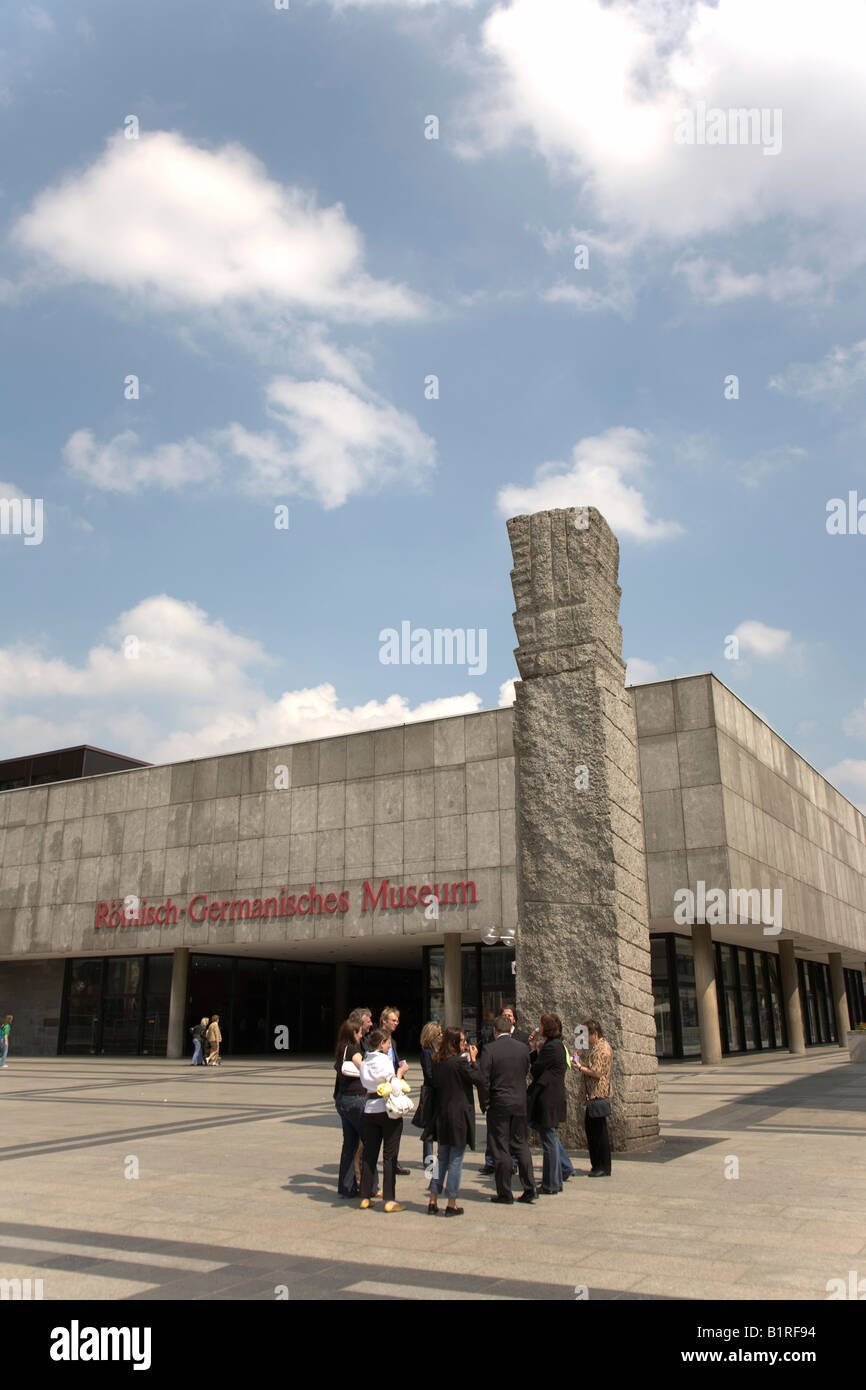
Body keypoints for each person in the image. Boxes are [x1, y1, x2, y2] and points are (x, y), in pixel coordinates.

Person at [478, 1014, 536, 1204]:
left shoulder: (489, 1049)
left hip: (499, 1103)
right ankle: (530, 1187)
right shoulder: (522, 1049)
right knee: (521, 1144)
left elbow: (483, 1079)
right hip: (519, 1102)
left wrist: (484, 1102)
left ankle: (505, 1192)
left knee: (500, 1146)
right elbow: (526, 1070)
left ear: (495, 1031)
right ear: (511, 1030)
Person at [427, 1027, 482, 1216]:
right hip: (458, 1115)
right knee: (456, 1160)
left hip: (443, 1113)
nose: (465, 1044)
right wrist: (473, 1060)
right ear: (454, 1043)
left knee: (441, 1158)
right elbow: (478, 1079)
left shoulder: (437, 1061)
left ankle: (433, 1199)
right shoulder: (459, 1063)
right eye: (462, 1041)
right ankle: (451, 1202)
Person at [358, 1028, 408, 1213]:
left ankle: (364, 1196)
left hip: (369, 1108)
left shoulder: (365, 1061)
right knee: (389, 1155)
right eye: (387, 1043)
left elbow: (364, 1083)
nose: (389, 1046)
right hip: (386, 1109)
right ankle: (389, 1199)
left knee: (370, 1154)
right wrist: (400, 1074)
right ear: (381, 1043)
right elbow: (394, 1086)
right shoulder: (384, 1060)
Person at [527, 1013, 574, 1192]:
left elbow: (537, 1069)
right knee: (550, 1138)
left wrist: (537, 1052)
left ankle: (551, 1183)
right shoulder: (555, 1045)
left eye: (541, 1025)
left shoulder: (552, 1047)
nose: (538, 1028)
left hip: (548, 1098)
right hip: (551, 1097)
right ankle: (557, 1178)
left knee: (549, 1141)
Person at [480, 1005, 525, 1174]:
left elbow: (483, 1078)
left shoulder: (522, 1040)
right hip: (512, 1098)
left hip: (503, 1098)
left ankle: (505, 1172)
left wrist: (484, 1102)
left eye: (510, 1015)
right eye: (504, 1015)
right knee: (498, 1136)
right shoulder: (492, 1046)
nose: (507, 1017)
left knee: (509, 1138)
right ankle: (493, 1162)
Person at [333, 1018, 366, 1198]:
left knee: (349, 1144)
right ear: (353, 1033)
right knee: (369, 1141)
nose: (362, 1035)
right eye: (359, 1032)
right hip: (355, 1099)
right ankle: (370, 1186)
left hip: (342, 1099)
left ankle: (346, 1187)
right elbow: (364, 1068)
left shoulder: (340, 1050)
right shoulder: (353, 1050)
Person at [576, 1018, 612, 1177]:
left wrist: (580, 1067)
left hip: (598, 1094)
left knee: (598, 1133)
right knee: (593, 1131)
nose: (585, 1039)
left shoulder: (601, 1049)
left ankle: (602, 1166)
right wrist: (583, 1058)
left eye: (587, 1035)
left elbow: (596, 1072)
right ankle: (597, 1164)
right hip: (593, 1096)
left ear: (595, 1034)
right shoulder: (596, 1047)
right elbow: (594, 1065)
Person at [379, 1006, 411, 1175]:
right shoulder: (375, 1039)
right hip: (381, 1088)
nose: (396, 1023)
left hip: (393, 1087)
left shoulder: (394, 1042)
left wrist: (401, 1070)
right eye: (393, 1020)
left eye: (397, 1020)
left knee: (395, 1126)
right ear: (384, 1021)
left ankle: (393, 1162)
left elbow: (394, 1061)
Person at [418, 1021, 442, 1180]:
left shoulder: (441, 1050)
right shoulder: (427, 1052)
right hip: (431, 1092)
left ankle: (441, 1158)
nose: (442, 1035)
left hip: (441, 1093)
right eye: (439, 1033)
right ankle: (429, 1161)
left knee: (440, 1127)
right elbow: (429, 1073)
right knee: (429, 1129)